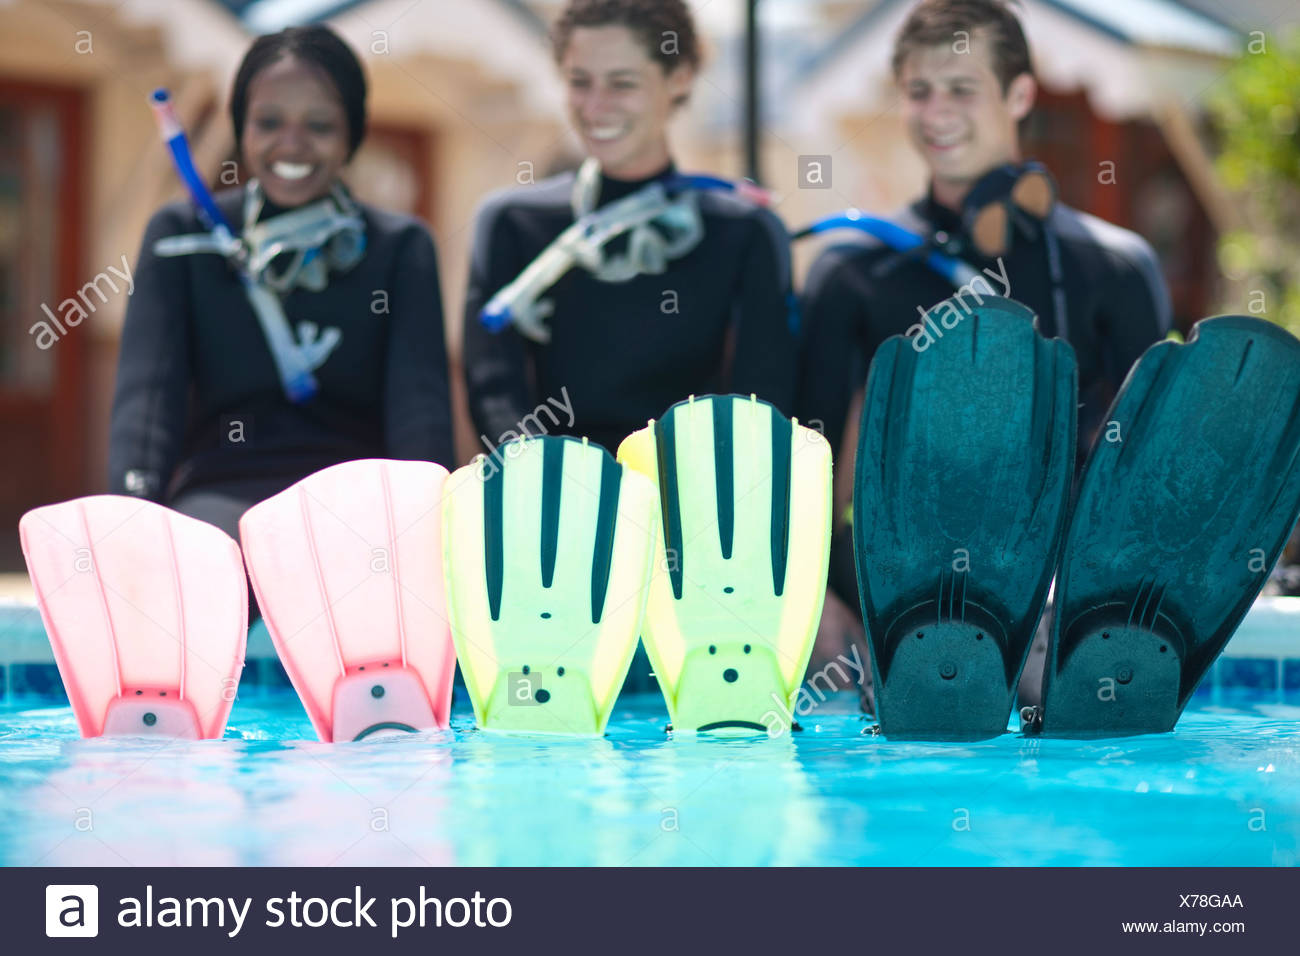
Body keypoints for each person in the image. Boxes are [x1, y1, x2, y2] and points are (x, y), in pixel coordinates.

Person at [797, 0, 1172, 708]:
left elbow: (1145, 478)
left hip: (1064, 625)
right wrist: (818, 603)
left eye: (961, 88)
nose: (937, 111)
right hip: (895, 622)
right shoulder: (851, 271)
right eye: (918, 91)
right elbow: (807, 462)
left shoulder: (1113, 266)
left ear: (1020, 94)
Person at [108, 25, 453, 543]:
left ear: (352, 135)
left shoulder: (400, 247)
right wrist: (134, 519)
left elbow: (419, 416)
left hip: (358, 502)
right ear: (242, 127)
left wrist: (423, 530)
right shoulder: (182, 236)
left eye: (319, 124)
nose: (292, 144)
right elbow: (148, 401)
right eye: (269, 121)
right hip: (219, 495)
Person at [462, 0, 797, 456]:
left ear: (678, 78)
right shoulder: (512, 221)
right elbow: (494, 391)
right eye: (580, 82)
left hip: (688, 498)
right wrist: (545, 486)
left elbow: (761, 400)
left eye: (622, 83)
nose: (596, 107)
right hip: (552, 498)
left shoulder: (744, 230)